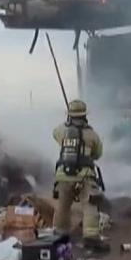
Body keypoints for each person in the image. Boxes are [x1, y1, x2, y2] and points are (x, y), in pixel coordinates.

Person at [52, 100, 109, 252]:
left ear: (70, 115)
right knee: (90, 205)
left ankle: (59, 234)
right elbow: (97, 154)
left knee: (63, 206)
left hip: (63, 175)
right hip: (85, 177)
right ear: (85, 116)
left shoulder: (61, 131)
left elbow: (55, 134)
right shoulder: (92, 134)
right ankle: (91, 238)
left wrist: (67, 126)